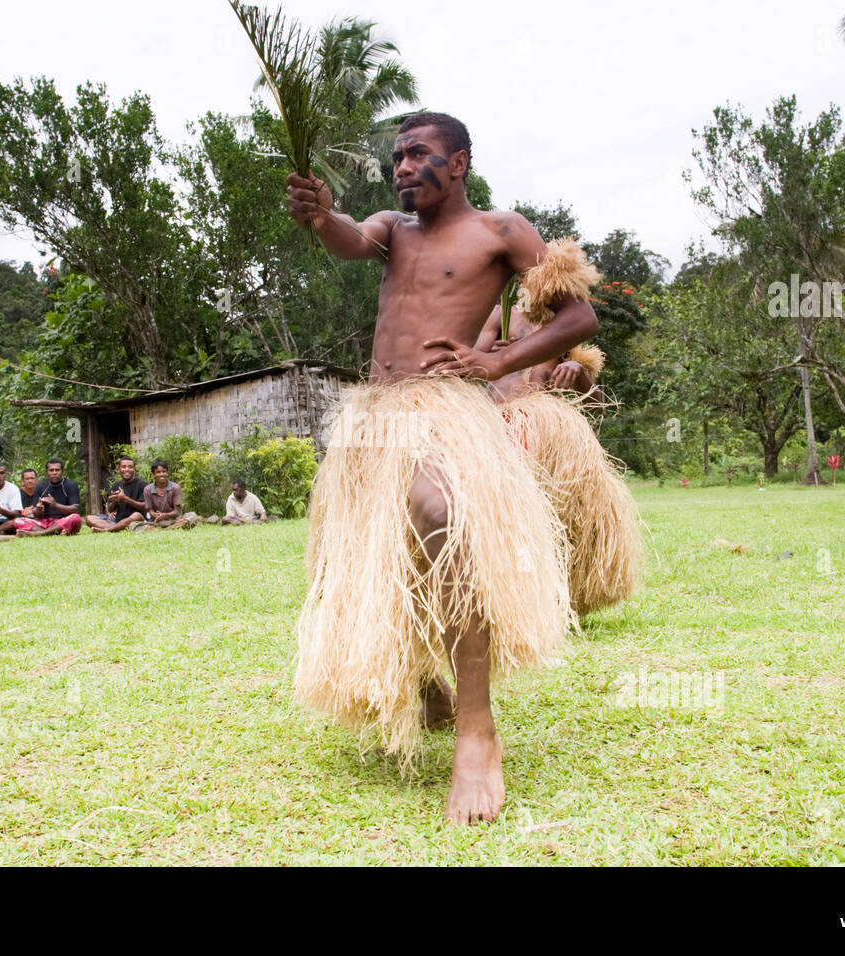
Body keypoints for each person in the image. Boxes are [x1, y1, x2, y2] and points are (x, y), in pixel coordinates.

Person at [286, 111, 601, 824]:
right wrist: (320, 215)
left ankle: (476, 730)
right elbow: (348, 239)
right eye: (397, 156)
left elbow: (578, 320)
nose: (402, 167)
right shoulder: (391, 231)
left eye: (418, 154)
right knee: (385, 556)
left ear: (458, 162)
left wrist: (496, 360)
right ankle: (427, 682)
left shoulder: (501, 231)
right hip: (373, 416)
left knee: (442, 518)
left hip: (445, 411)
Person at [475, 304, 643, 615]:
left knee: (541, 515)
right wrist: (490, 358)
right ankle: (499, 597)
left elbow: (598, 405)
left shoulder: (566, 324)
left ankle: (548, 597)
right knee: (495, 515)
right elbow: (466, 366)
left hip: (540, 434)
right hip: (492, 425)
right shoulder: (500, 314)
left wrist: (580, 375)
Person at [17, 458, 83, 536]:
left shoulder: (71, 485)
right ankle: (52, 532)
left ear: (62, 471)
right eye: (51, 470)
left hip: (63, 521)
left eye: (57, 470)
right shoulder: (40, 486)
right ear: (47, 472)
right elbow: (37, 514)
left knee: (76, 518)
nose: (54, 473)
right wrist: (38, 509)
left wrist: (56, 505)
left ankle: (41, 533)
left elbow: (75, 509)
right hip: (45, 523)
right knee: (18, 521)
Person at [86, 457, 149, 532]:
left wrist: (125, 498)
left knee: (136, 515)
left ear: (134, 469)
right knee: (89, 518)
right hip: (117, 520)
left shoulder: (142, 485)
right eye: (123, 467)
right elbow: (110, 509)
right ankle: (118, 527)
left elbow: (145, 507)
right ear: (119, 469)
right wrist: (115, 500)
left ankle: (107, 529)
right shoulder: (116, 485)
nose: (127, 469)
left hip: (136, 519)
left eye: (130, 467)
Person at [143, 460, 194, 529]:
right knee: (134, 524)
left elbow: (177, 511)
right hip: (155, 521)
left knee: (192, 515)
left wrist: (165, 515)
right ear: (153, 475)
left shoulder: (176, 487)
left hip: (173, 520)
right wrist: (155, 515)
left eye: (164, 471)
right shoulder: (147, 489)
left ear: (167, 473)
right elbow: (150, 510)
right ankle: (171, 528)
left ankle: (168, 528)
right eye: (158, 472)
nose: (161, 474)